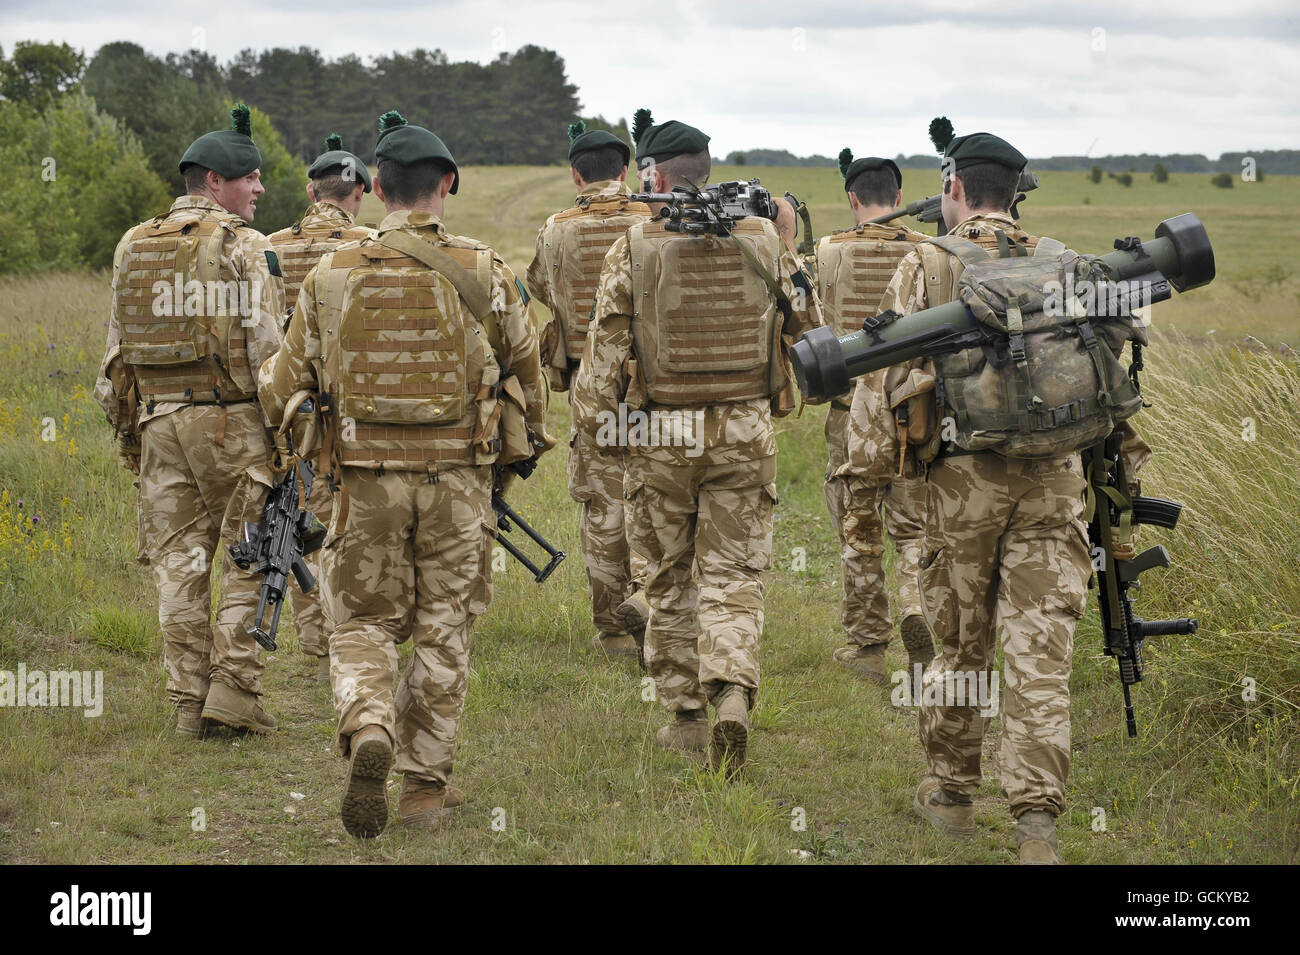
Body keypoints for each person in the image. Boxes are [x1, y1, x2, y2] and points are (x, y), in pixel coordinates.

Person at [258, 110, 550, 838]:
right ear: (447, 183)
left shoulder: (330, 273)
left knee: (361, 620)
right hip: (457, 482)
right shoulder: (486, 270)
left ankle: (367, 726)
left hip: (361, 479)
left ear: (377, 185)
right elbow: (528, 375)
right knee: (445, 626)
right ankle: (422, 790)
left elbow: (282, 382)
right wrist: (520, 452)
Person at [878, 131, 1149, 864]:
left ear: (955, 190)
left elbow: (891, 378)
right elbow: (1116, 348)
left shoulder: (924, 265)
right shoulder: (1066, 260)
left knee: (961, 644)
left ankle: (953, 795)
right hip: (1056, 476)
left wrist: (889, 480)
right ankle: (1036, 824)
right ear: (1015, 190)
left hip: (961, 483)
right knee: (1040, 651)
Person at [574, 109, 823, 775]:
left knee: (668, 570)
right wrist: (790, 240)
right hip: (744, 429)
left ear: (654, 175)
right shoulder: (764, 238)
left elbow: (602, 362)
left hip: (661, 432)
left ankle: (685, 713)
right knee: (735, 570)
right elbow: (811, 326)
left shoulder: (635, 243)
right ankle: (733, 690)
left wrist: (604, 435)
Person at [95, 104, 284, 738]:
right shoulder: (243, 245)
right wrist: (290, 439)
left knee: (177, 564)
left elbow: (113, 364)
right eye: (250, 178)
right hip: (232, 428)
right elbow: (270, 360)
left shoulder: (132, 243)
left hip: (158, 426)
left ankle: (186, 704)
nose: (259, 189)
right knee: (249, 554)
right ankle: (233, 693)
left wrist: (133, 434)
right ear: (213, 181)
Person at [525, 122, 651, 661]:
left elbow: (538, 286)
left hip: (588, 383)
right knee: (655, 497)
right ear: (624, 171)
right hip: (654, 384)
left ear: (576, 174)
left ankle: (614, 632)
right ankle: (653, 597)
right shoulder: (655, 219)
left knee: (602, 506)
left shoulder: (556, 229)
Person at [816, 150, 933, 685]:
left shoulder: (827, 253)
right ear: (901, 199)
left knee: (858, 528)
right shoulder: (930, 255)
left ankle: (866, 648)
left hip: (851, 417)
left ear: (853, 199)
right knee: (914, 530)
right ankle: (917, 609)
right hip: (914, 412)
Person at [267, 133, 375, 683]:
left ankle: (312, 631)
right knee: (346, 521)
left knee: (296, 512)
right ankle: (345, 626)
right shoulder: (372, 243)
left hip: (288, 407)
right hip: (353, 411)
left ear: (312, 191)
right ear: (359, 193)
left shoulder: (270, 245)